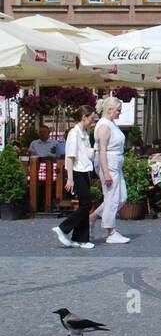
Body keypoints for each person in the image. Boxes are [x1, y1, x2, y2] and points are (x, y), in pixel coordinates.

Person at [52, 107, 97, 249]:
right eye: (91, 118)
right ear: (84, 117)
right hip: (76, 172)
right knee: (86, 205)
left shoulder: (83, 132)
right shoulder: (74, 133)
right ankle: (63, 228)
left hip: (83, 170)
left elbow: (85, 153)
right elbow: (70, 157)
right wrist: (69, 178)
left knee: (86, 204)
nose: (93, 121)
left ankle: (81, 239)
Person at [91, 96, 130, 243]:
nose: (120, 113)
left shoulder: (110, 123)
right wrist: (106, 172)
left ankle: (93, 218)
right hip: (109, 162)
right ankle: (111, 231)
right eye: (118, 110)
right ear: (110, 110)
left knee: (121, 197)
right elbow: (102, 150)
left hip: (116, 162)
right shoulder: (104, 126)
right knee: (112, 197)